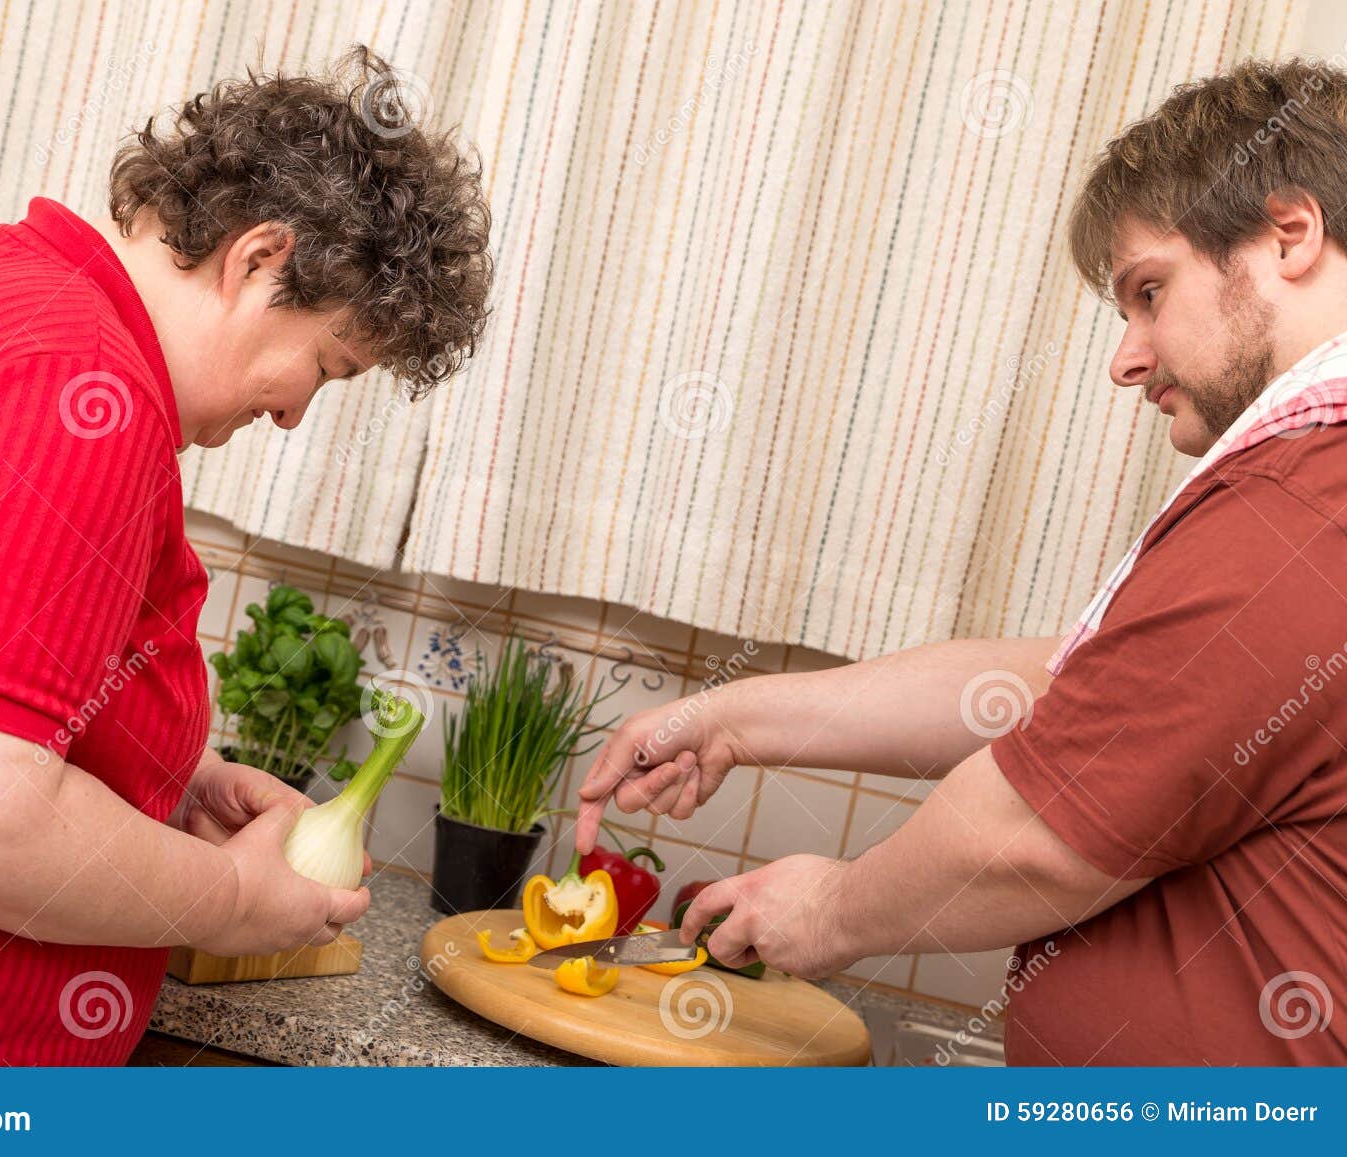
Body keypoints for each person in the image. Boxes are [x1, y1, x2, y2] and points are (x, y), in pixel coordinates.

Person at [577, 57, 1347, 1065]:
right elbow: (1086, 691)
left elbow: (1030, 838)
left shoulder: (1304, 503)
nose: (1126, 357)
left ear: (1288, 235)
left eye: (1148, 292)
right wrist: (735, 713)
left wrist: (832, 909)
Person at [0, 47, 491, 1065]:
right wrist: (229, 899)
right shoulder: (72, 393)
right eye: (324, 364)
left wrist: (176, 781)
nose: (289, 412)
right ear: (259, 257)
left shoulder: (17, 296)